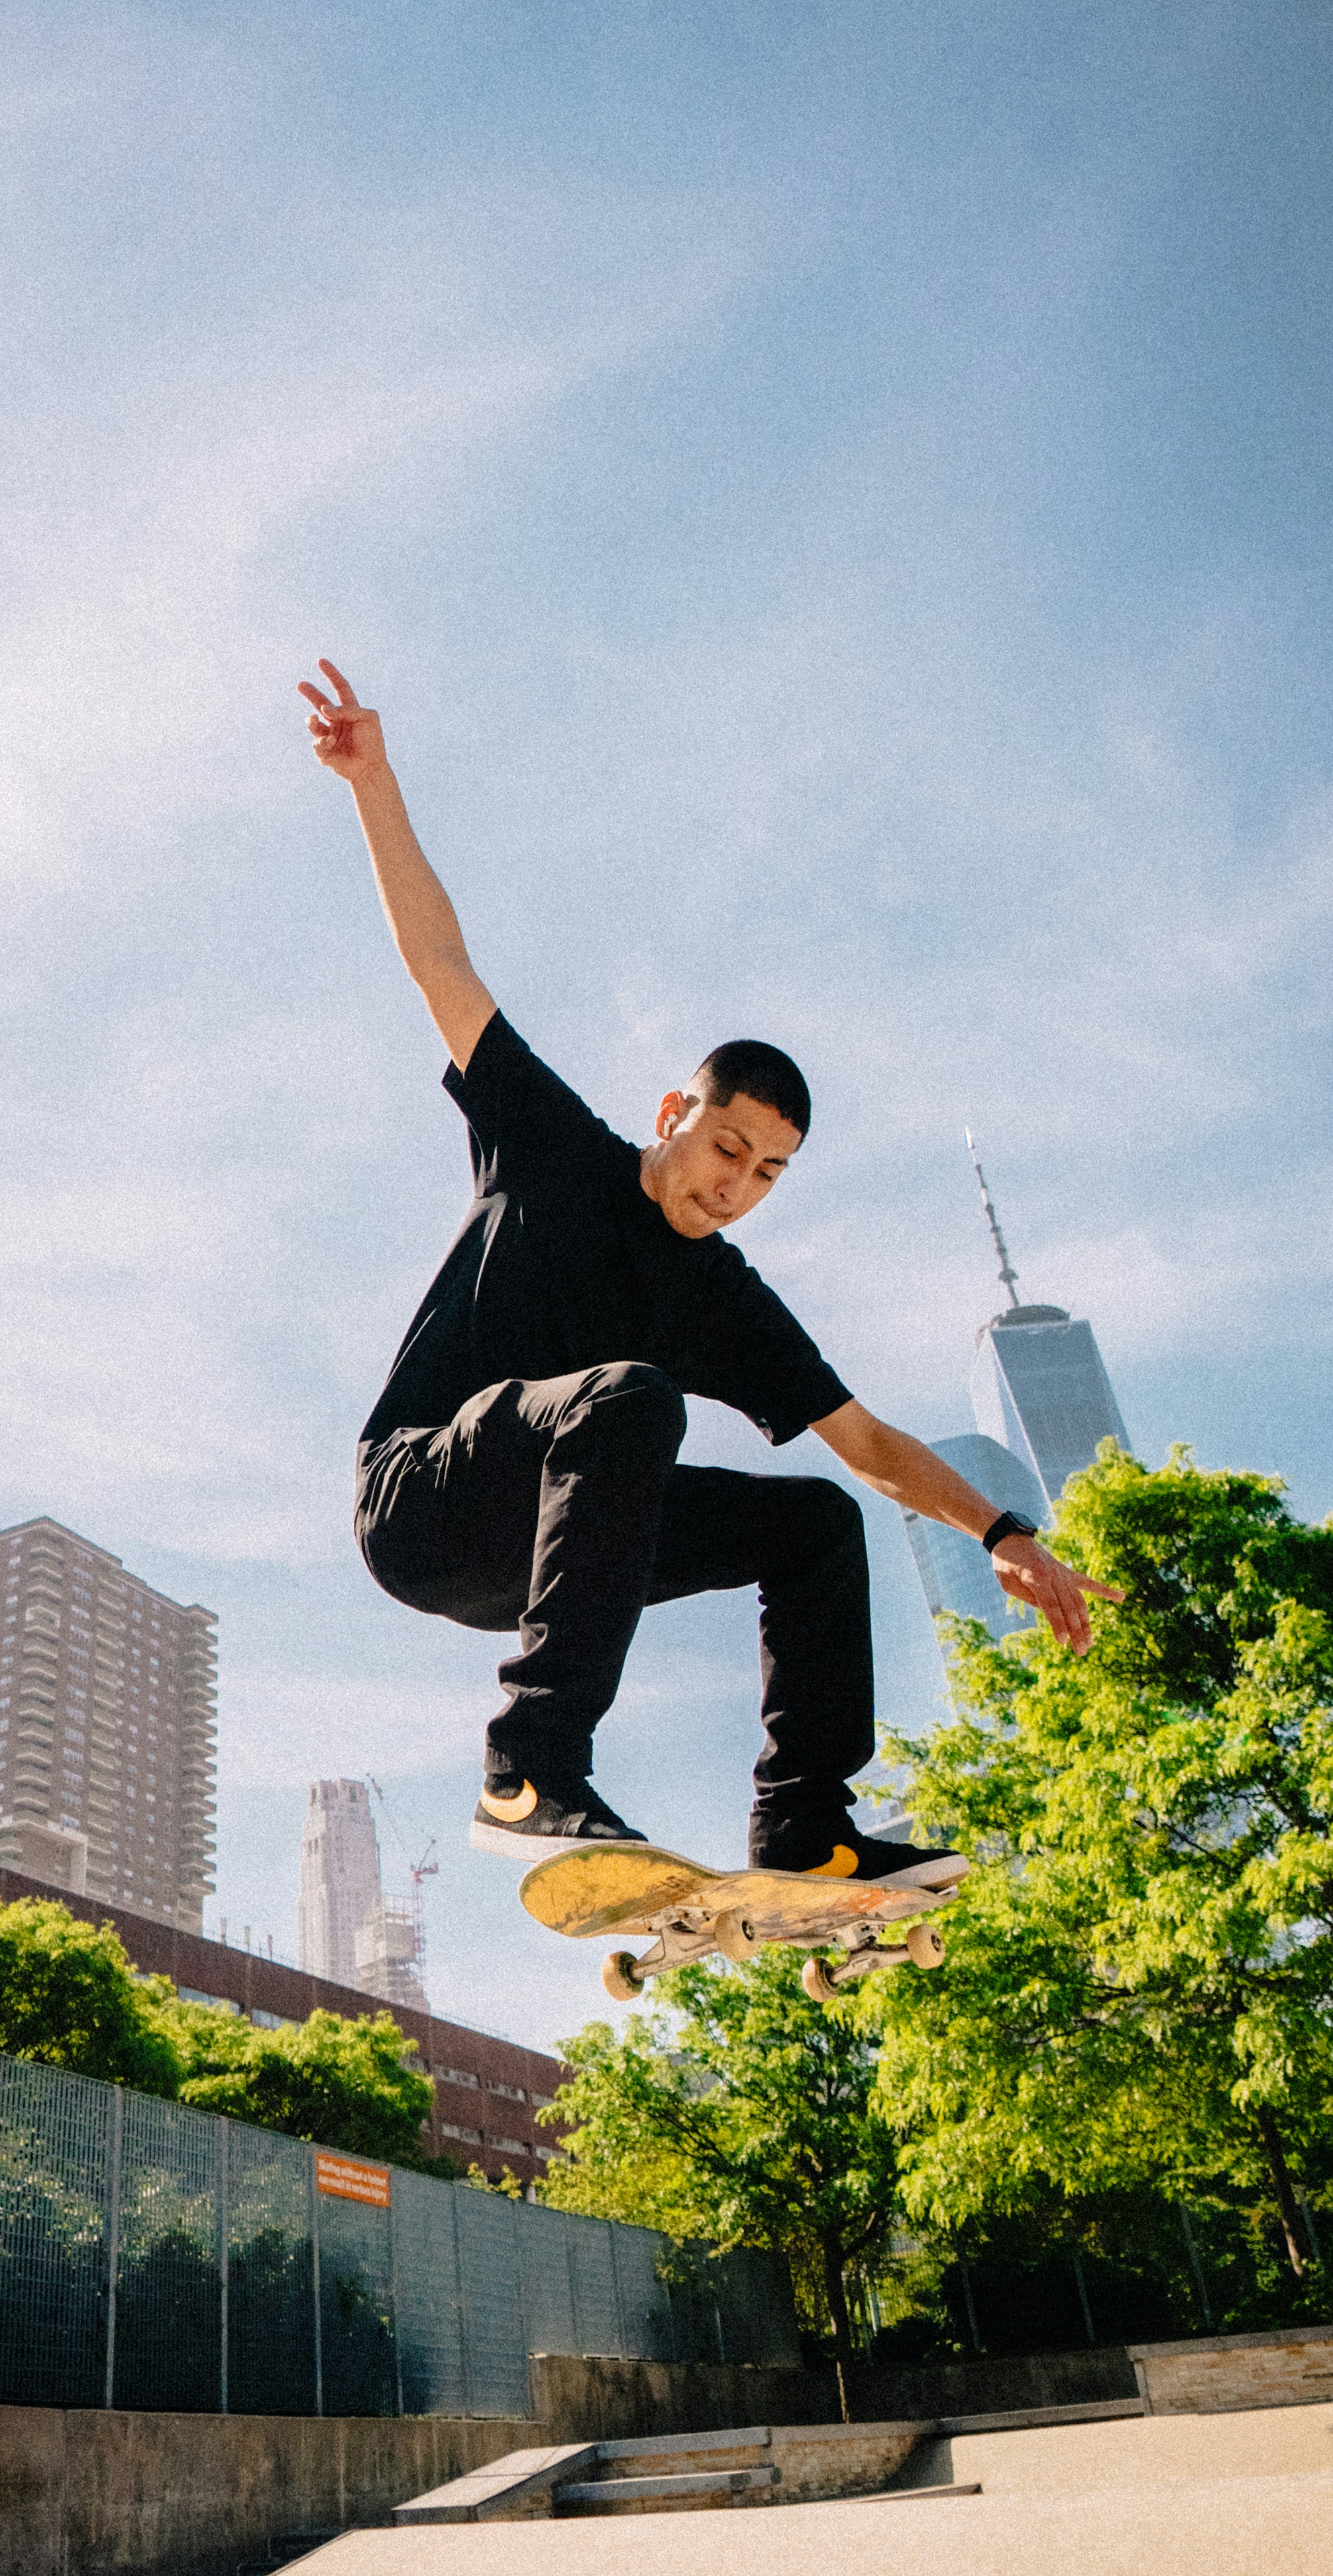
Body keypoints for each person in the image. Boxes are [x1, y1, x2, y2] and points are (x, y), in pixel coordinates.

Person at [301, 657, 1121, 1884]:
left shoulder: (727, 1297)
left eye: (767, 1176)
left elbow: (870, 1443)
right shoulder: (550, 1143)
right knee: (633, 1393)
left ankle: (804, 1827)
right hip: (425, 1501)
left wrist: (1004, 1528)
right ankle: (531, 1771)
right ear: (678, 1109)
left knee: (815, 1522)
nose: (733, 1186)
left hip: (552, 1549)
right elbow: (441, 963)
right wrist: (376, 784)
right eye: (728, 1147)